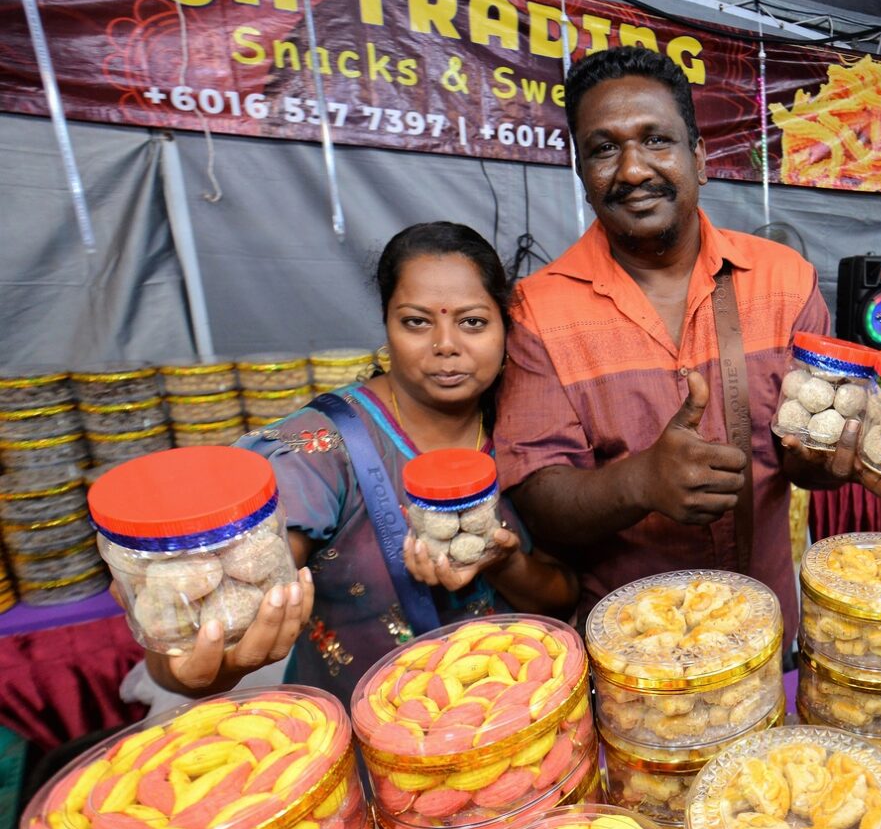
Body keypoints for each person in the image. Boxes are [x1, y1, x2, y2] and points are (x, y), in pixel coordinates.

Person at [497, 47, 881, 636]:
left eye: (657, 140)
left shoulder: (785, 280)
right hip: (635, 649)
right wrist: (638, 483)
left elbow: (799, 456)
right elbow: (536, 495)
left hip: (766, 625)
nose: (632, 169)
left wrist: (843, 463)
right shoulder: (537, 309)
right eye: (604, 148)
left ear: (700, 159)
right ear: (582, 173)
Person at [146, 222, 577, 702]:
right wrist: (201, 658)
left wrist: (504, 563)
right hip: (361, 740)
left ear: (505, 326)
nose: (445, 345)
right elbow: (227, 606)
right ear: (386, 324)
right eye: (416, 321)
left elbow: (561, 597)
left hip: (507, 724)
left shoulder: (530, 429)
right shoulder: (320, 450)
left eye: (472, 321)